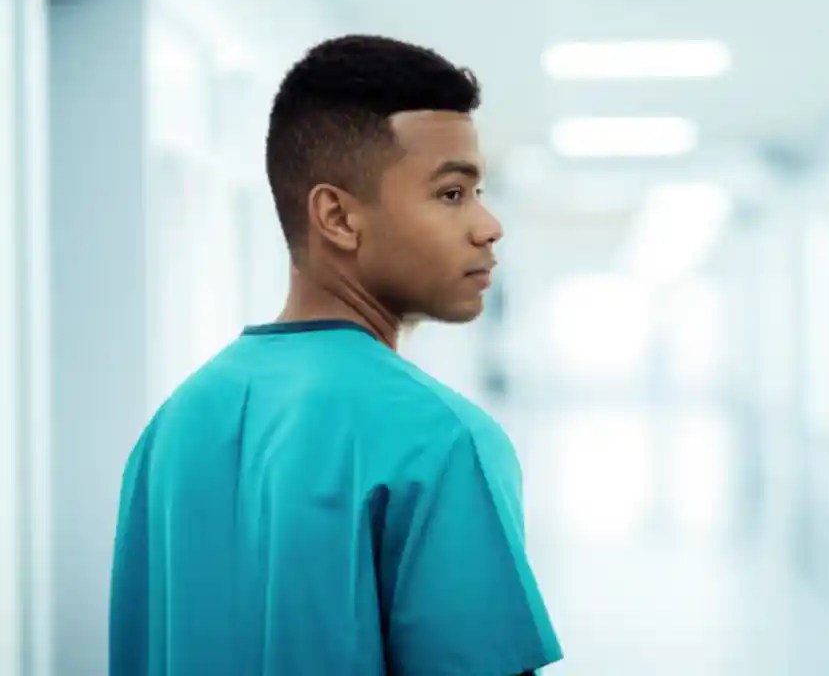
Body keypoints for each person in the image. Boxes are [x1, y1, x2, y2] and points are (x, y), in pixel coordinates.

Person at [108, 35, 562, 675]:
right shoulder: (440, 440)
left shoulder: (172, 428)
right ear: (339, 218)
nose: (489, 225)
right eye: (452, 194)